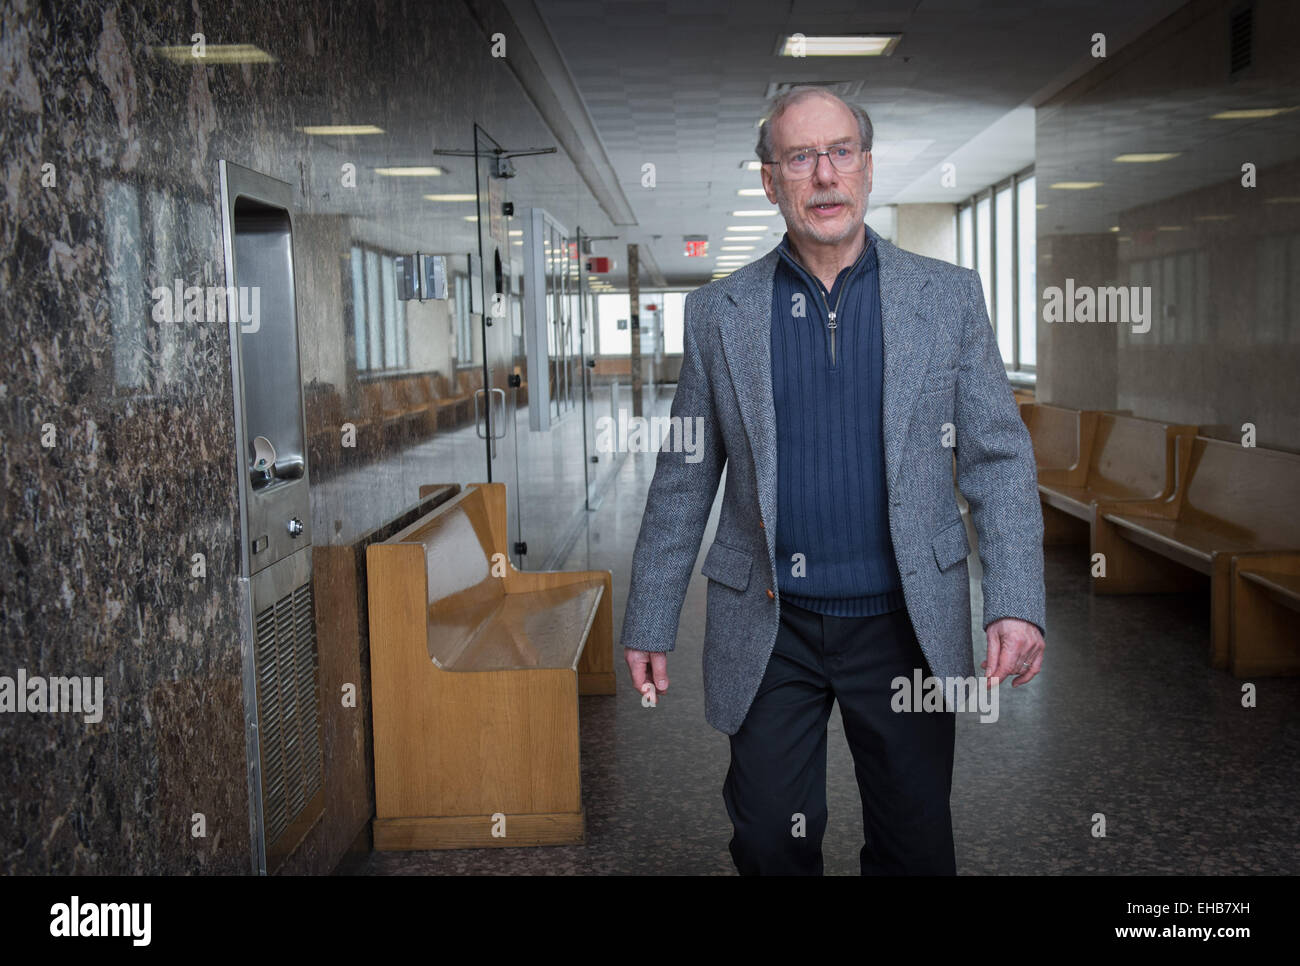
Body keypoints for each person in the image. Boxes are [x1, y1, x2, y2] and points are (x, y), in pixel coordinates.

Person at [620, 85, 1047, 875]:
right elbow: (684, 478)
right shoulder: (721, 314)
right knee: (766, 844)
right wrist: (649, 614)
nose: (824, 174)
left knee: (915, 848)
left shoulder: (945, 298)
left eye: (841, 151)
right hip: (772, 626)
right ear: (770, 180)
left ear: (868, 167)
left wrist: (1016, 597)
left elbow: (998, 456)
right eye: (801, 157)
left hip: (905, 625)